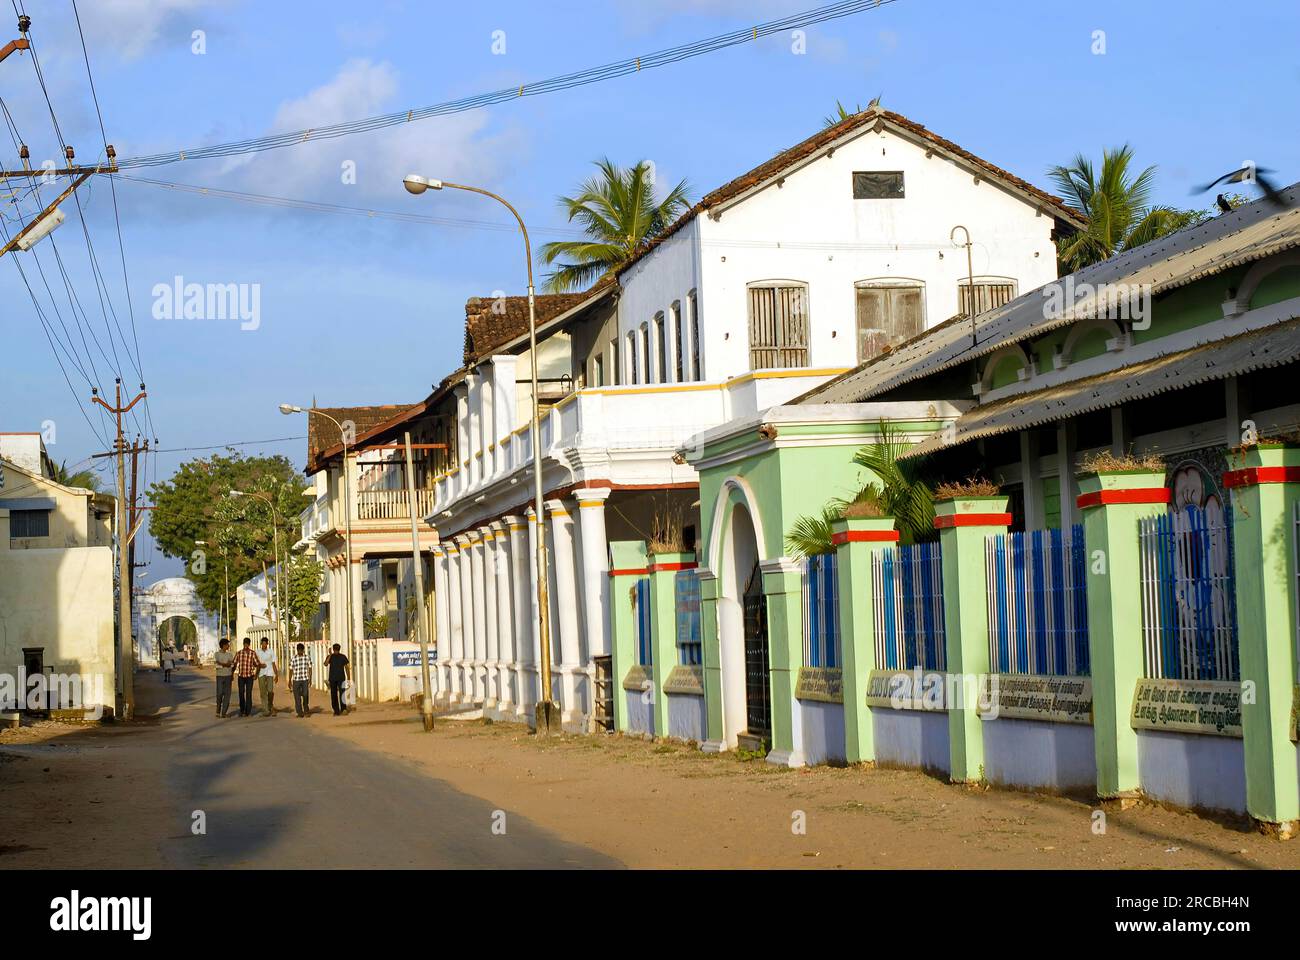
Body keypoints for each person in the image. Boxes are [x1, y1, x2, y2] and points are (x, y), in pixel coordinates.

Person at [233, 638, 263, 717]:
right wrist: (232, 674)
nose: (246, 645)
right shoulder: (239, 653)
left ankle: (248, 711)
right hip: (241, 676)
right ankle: (242, 710)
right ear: (243, 644)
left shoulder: (252, 653)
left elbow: (257, 664)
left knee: (249, 694)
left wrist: (256, 674)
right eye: (245, 643)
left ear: (249, 644)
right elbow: (235, 663)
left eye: (247, 644)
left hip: (249, 676)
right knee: (241, 693)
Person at [325, 643, 351, 716]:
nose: (335, 651)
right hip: (333, 679)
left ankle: (343, 709)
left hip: (340, 678)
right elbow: (326, 664)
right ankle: (336, 710)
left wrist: (348, 678)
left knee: (341, 694)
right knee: (334, 695)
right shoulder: (331, 657)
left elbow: (346, 667)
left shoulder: (342, 657)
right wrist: (330, 654)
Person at [257, 637, 280, 717]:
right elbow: (256, 663)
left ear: (267, 644)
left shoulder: (271, 651)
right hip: (261, 673)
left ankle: (270, 705)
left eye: (265, 643)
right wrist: (260, 665)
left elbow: (273, 663)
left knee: (270, 691)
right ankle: (265, 710)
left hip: (270, 673)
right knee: (263, 692)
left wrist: (276, 674)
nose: (264, 645)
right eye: (262, 643)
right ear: (261, 644)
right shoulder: (258, 652)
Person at [289, 643, 313, 718]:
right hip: (296, 679)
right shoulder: (293, 658)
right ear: (297, 650)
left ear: (303, 650)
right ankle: (299, 712)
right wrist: (289, 680)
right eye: (298, 650)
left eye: (301, 650)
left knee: (305, 694)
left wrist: (310, 678)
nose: (300, 651)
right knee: (297, 696)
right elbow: (290, 669)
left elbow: (310, 668)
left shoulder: (307, 657)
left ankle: (306, 710)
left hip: (305, 679)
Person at [214, 638, 234, 718]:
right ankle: (218, 709)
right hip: (220, 676)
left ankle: (224, 712)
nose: (228, 646)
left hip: (228, 675)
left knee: (227, 694)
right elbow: (217, 664)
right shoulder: (217, 654)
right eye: (227, 644)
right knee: (219, 693)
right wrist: (226, 664)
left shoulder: (230, 654)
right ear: (223, 645)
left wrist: (223, 664)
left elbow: (231, 664)